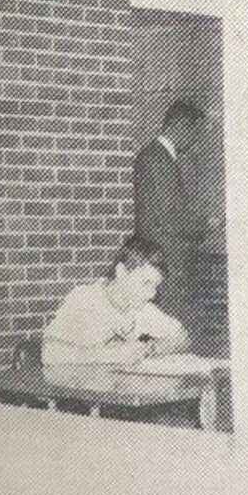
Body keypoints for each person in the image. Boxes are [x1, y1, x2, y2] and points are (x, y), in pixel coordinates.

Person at [42, 235, 189, 365]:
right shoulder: (84, 299)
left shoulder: (141, 307)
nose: (152, 294)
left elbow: (182, 337)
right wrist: (112, 355)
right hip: (75, 393)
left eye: (155, 286)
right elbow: (48, 353)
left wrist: (151, 349)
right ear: (121, 272)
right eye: (146, 283)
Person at [133, 99, 211, 336]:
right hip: (168, 260)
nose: (195, 141)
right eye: (195, 133)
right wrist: (205, 224)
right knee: (171, 328)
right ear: (181, 127)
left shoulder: (155, 157)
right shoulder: (159, 159)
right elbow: (169, 217)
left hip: (162, 258)